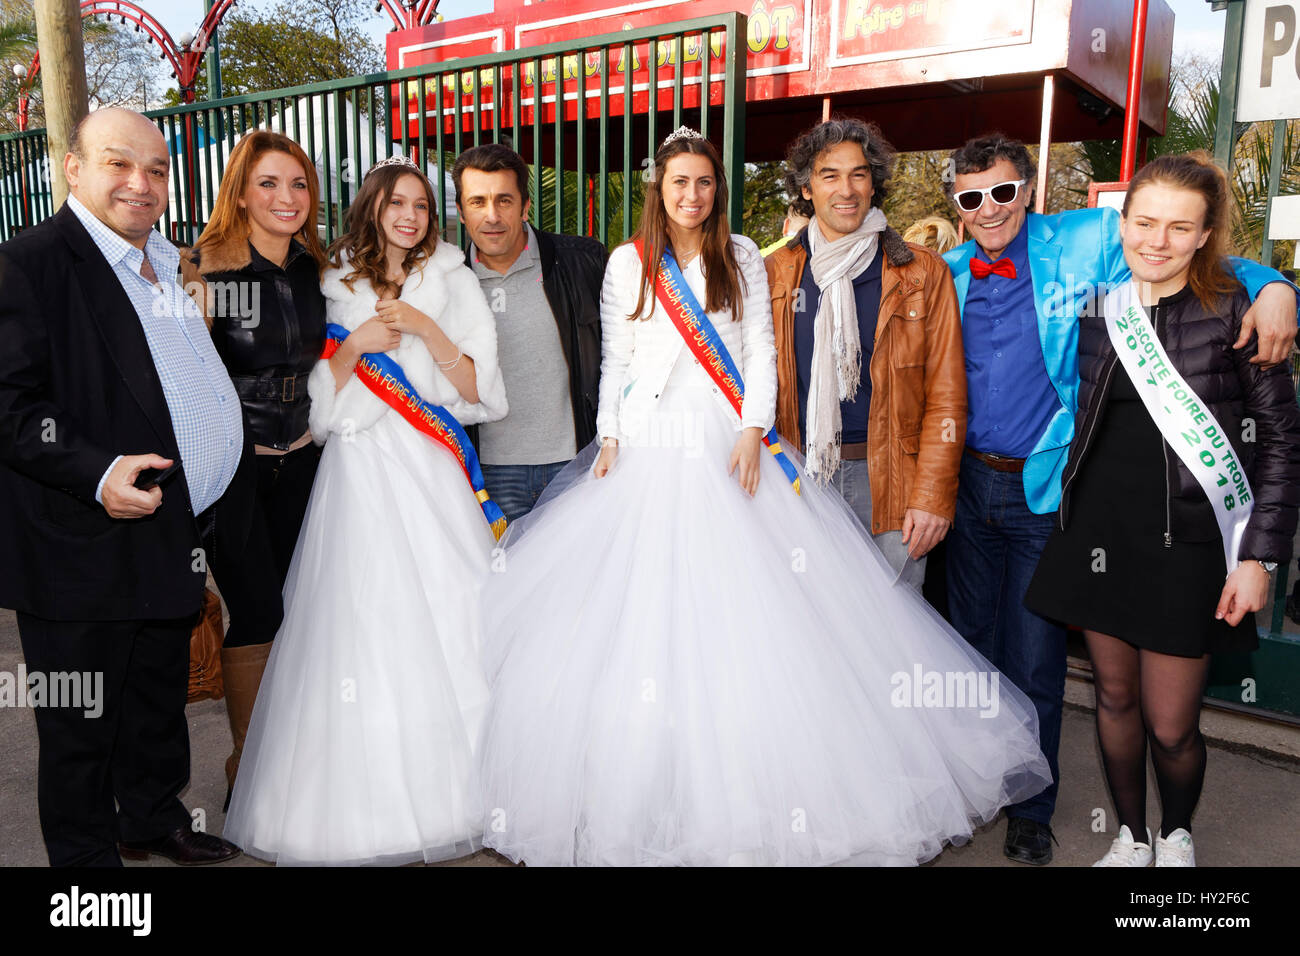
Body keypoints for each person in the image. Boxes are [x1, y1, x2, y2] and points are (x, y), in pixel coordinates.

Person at [474, 128, 1052, 866]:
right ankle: (654, 791)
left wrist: (751, 428)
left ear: (718, 189)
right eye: (679, 182)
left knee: (775, 619)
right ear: (660, 187)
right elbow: (616, 356)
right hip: (650, 445)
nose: (692, 195)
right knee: (645, 620)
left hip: (729, 443)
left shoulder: (745, 254)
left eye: (705, 182)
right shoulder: (628, 261)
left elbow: (758, 353)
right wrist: (611, 436)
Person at [940, 133, 1299, 865]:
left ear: (1029, 191)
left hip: (1121, 519)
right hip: (1030, 505)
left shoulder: (1102, 249)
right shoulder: (966, 279)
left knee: (1106, 693)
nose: (989, 208)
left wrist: (1279, 286)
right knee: (1031, 672)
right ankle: (1118, 832)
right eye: (972, 196)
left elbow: (1281, 440)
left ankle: (1132, 828)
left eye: (1004, 191)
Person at [222, 156, 508, 865]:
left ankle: (475, 789)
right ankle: (358, 802)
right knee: (356, 628)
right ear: (372, 210)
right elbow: (317, 403)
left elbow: (481, 391)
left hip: (431, 471)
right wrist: (354, 346)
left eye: (420, 205)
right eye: (395, 204)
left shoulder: (453, 279)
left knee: (453, 618)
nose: (409, 216)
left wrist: (423, 328)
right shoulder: (331, 282)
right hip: (354, 474)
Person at [0, 107, 245, 866]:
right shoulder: (29, 264)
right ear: (71, 168)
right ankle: (86, 875)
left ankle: (151, 818)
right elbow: (10, 402)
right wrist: (97, 471)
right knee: (80, 727)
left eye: (158, 169)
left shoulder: (166, 259)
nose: (141, 184)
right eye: (118, 163)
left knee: (156, 696)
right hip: (81, 541)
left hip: (171, 529)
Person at [180, 130, 328, 807]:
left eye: (297, 184)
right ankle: (249, 765)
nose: (286, 197)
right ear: (240, 192)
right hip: (235, 477)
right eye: (268, 183)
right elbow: (178, 384)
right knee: (259, 611)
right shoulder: (206, 271)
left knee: (304, 610)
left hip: (307, 465)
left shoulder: (314, 269)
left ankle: (300, 755)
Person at [766, 118, 965, 590]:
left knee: (895, 636)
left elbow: (947, 394)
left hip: (894, 487)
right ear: (807, 188)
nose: (846, 189)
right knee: (808, 628)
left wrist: (933, 496)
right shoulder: (775, 272)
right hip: (800, 479)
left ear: (874, 182)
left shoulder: (922, 271)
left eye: (858, 173)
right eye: (829, 175)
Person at [453, 143, 608, 521]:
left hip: (575, 463)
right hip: (491, 472)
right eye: (477, 202)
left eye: (504, 201)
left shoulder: (583, 263)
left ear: (525, 206)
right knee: (505, 576)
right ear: (459, 211)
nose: (492, 216)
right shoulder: (447, 282)